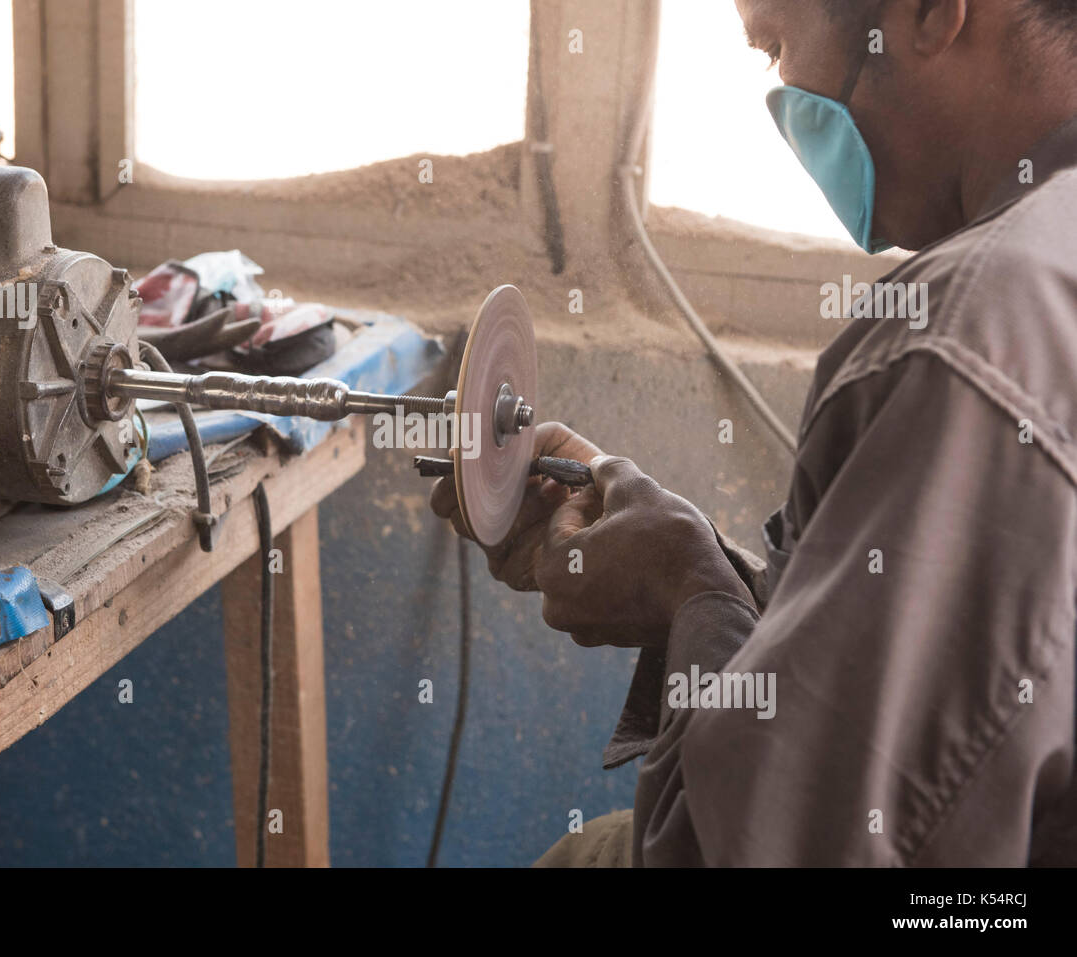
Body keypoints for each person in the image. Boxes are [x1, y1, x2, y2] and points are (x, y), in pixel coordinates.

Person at [431, 0, 1077, 866]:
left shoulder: (955, 342)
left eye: (774, 44)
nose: (780, 94)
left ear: (931, 13)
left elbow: (741, 849)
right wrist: (707, 566)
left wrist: (690, 588)